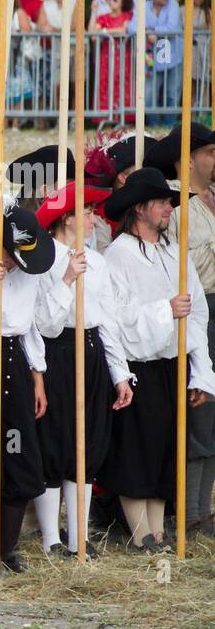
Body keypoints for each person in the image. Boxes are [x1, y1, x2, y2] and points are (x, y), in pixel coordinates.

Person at [98, 167, 215, 551]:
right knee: (137, 451)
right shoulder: (117, 256)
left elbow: (196, 313)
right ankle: (139, 532)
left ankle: (158, 531)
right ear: (140, 208)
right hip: (137, 368)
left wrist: (200, 372)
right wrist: (165, 311)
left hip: (170, 365)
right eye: (163, 202)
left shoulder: (171, 253)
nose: (169, 209)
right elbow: (117, 322)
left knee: (166, 449)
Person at [31, 184, 133, 559]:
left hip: (91, 354)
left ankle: (78, 539)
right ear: (68, 217)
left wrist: (119, 373)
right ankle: (50, 540)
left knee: (86, 445)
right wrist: (67, 279)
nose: (94, 218)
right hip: (57, 353)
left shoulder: (99, 262)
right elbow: (45, 324)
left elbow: (108, 321)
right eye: (88, 211)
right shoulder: (44, 259)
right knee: (54, 444)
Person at [0, 203, 55, 571]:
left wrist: (37, 376)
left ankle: (8, 547)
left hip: (15, 362)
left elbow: (31, 326)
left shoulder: (27, 272)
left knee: (17, 452)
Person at [145, 124, 215, 540]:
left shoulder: (210, 201)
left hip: (210, 307)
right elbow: (180, 266)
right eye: (208, 151)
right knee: (198, 411)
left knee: (214, 411)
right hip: (195, 304)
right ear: (187, 158)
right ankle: (188, 511)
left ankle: (204, 509)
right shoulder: (176, 205)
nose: (214, 159)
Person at [144, 0, 184, 126]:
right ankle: (154, 126)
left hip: (173, 56)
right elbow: (132, 26)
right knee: (148, 95)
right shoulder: (144, 5)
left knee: (172, 93)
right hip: (151, 58)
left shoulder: (173, 4)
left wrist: (151, 31)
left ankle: (169, 127)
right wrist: (148, 33)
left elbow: (172, 27)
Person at [91, 0, 134, 119]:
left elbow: (123, 31)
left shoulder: (128, 16)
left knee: (122, 85)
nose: (111, 2)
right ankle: (105, 117)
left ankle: (123, 118)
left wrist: (104, 31)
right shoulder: (103, 17)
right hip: (106, 57)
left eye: (115, 0)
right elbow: (93, 34)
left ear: (122, 3)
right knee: (105, 85)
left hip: (122, 57)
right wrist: (94, 11)